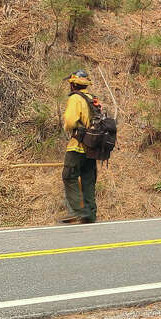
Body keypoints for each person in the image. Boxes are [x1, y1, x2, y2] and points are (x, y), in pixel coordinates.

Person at [60, 70, 100, 224]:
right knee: (88, 179)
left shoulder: (75, 98)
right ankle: (90, 214)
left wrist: (69, 126)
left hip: (77, 146)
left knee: (68, 176)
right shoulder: (92, 98)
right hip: (92, 148)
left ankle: (78, 211)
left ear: (73, 84)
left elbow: (70, 122)